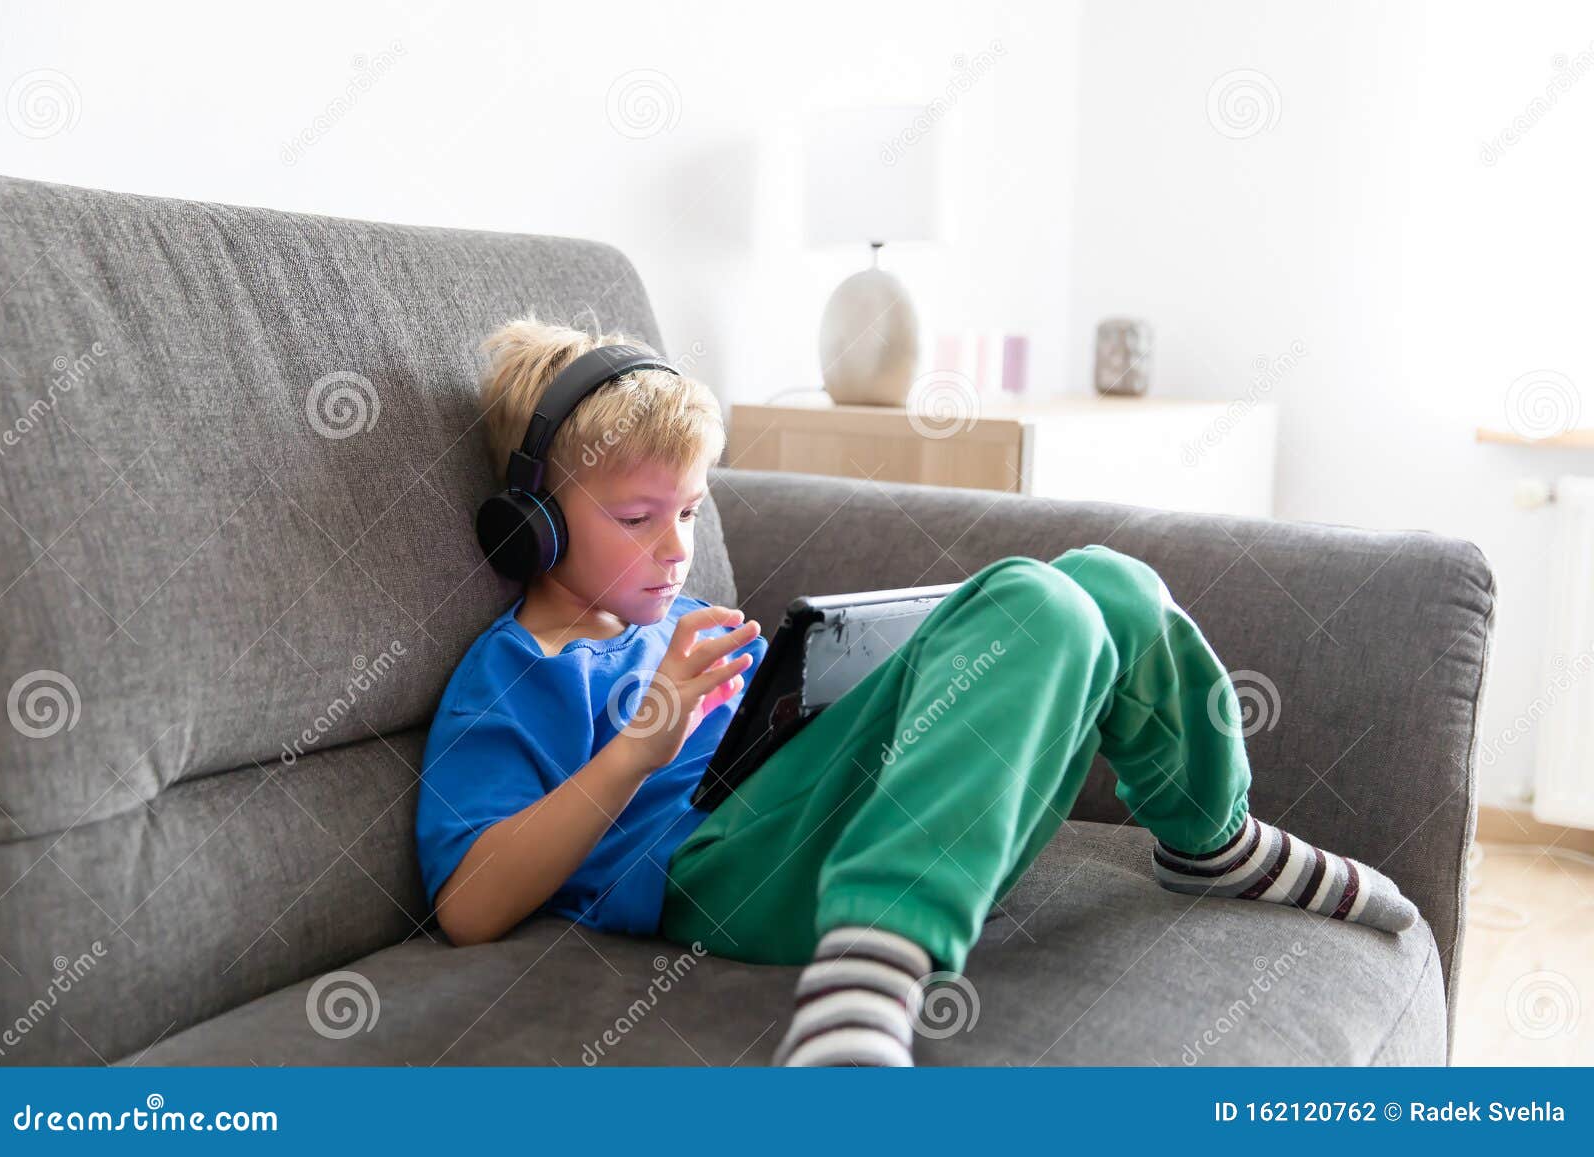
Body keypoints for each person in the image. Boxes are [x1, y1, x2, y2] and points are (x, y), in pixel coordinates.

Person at [415, 316, 1418, 1068]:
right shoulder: (516, 669)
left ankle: (1208, 836)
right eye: (637, 516)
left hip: (795, 820)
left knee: (1102, 580)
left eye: (690, 508)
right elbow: (466, 904)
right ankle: (873, 965)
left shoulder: (666, 625)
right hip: (713, 881)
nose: (677, 548)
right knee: (1039, 605)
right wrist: (640, 740)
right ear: (532, 522)